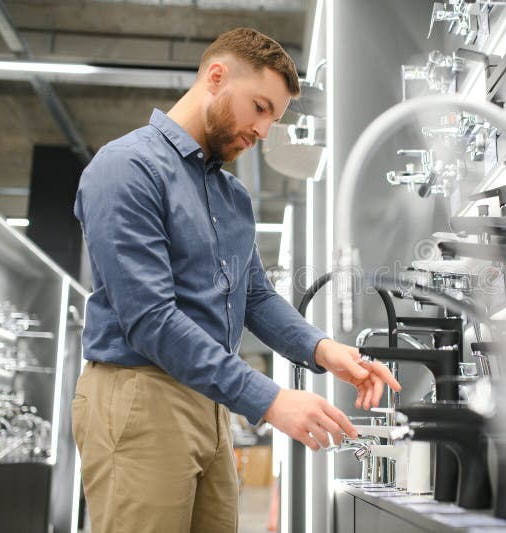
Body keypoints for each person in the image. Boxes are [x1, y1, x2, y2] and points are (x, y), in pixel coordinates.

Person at [72, 27, 400, 533]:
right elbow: (150, 319)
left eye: (275, 117)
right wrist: (268, 399)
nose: (265, 131)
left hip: (210, 400)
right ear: (217, 77)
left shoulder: (231, 196)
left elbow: (254, 296)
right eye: (261, 107)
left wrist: (323, 349)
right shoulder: (126, 168)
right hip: (140, 393)